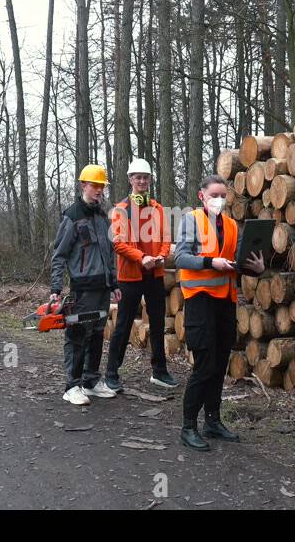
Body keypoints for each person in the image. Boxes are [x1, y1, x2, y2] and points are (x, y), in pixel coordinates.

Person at [174, 175, 265, 451]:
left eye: (224, 195)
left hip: (225, 301)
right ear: (202, 196)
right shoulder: (191, 220)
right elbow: (180, 257)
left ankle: (212, 421)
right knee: (204, 365)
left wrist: (255, 267)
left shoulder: (231, 225)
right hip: (200, 302)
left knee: (219, 364)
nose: (220, 200)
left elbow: (237, 259)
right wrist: (210, 261)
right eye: (214, 194)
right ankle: (188, 426)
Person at [50, 164, 123, 406]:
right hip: (82, 290)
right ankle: (72, 385)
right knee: (77, 335)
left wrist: (114, 284)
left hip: (103, 288)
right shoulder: (72, 216)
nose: (99, 190)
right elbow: (59, 255)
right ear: (84, 185)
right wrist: (55, 289)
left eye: (102, 186)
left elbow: (109, 252)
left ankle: (91, 381)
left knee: (97, 335)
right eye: (95, 185)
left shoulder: (103, 217)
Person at [105, 158, 176, 392]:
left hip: (154, 273)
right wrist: (140, 257)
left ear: (149, 180)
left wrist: (161, 256)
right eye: (138, 177)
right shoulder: (121, 210)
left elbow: (166, 238)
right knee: (124, 324)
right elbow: (118, 244)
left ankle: (160, 371)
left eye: (145, 177)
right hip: (130, 276)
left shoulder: (156, 208)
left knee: (157, 323)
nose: (142, 181)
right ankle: (112, 374)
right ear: (130, 180)